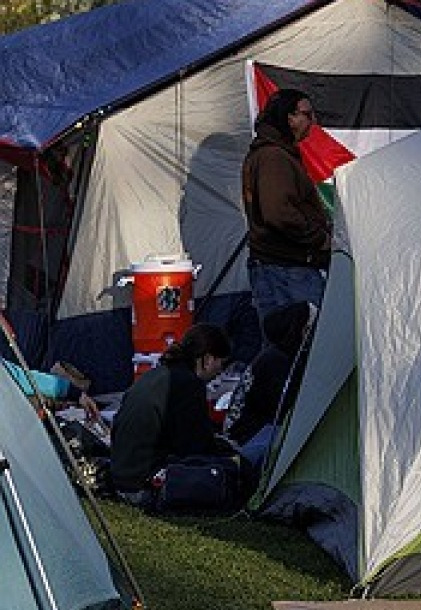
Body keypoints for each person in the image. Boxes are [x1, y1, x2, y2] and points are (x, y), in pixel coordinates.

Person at [109, 323, 240, 506]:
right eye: (221, 363)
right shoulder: (188, 384)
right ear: (208, 359)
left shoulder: (158, 375)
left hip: (122, 474)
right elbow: (193, 445)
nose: (220, 371)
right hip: (145, 482)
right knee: (230, 470)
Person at [241, 88, 331, 325]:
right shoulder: (273, 157)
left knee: (288, 347)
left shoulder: (276, 154)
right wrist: (319, 238)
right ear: (289, 118)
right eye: (307, 115)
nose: (312, 122)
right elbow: (278, 212)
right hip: (285, 271)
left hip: (283, 269)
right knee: (299, 345)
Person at [224, 302, 316, 469]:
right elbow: (284, 408)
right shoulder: (277, 362)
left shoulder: (274, 356)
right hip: (251, 436)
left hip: (246, 431)